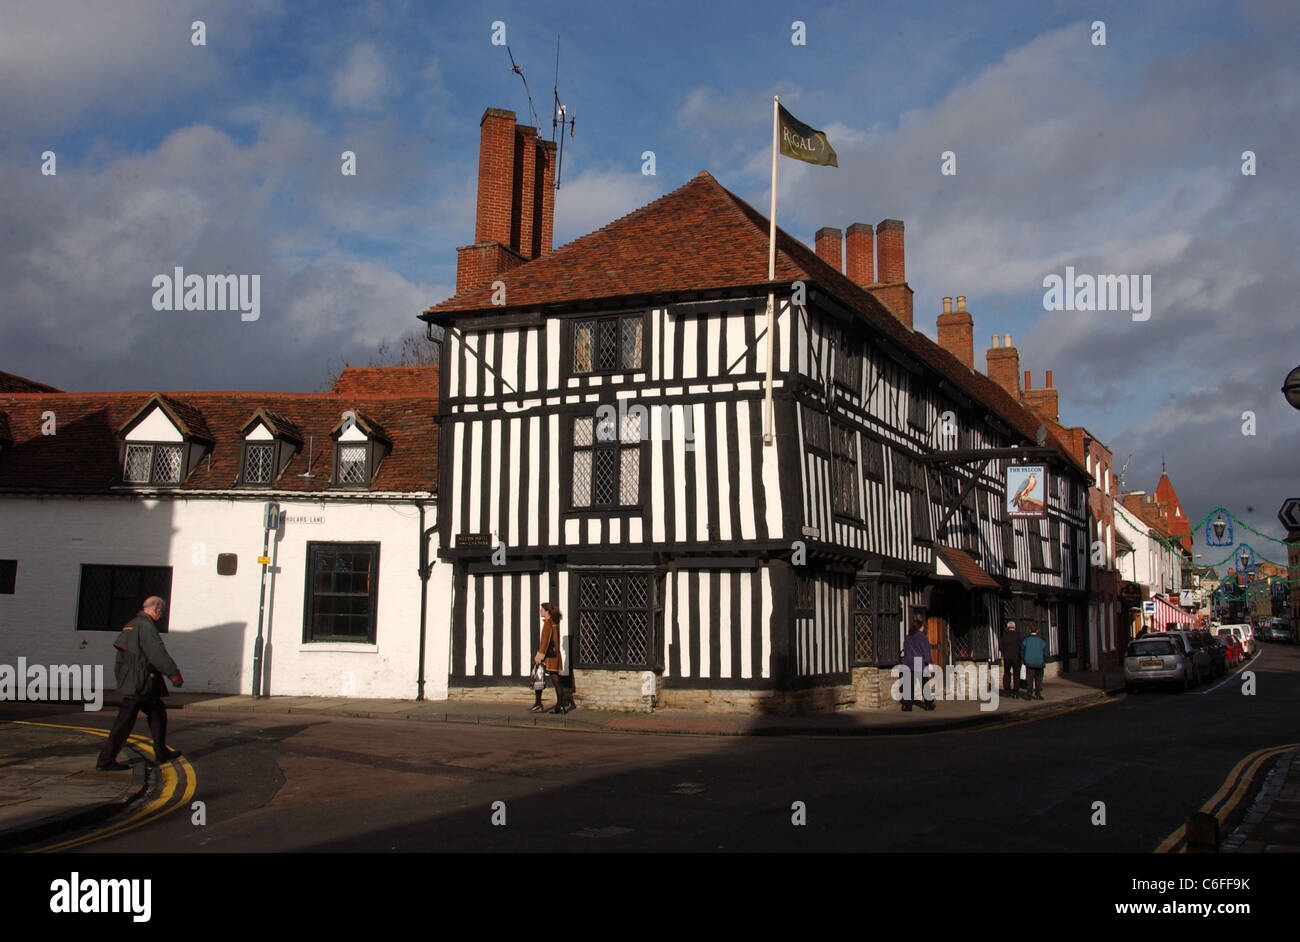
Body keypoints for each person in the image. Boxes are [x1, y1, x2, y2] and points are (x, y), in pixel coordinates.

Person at [96, 596, 184, 770]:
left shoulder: (131, 624)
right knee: (124, 723)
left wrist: (121, 677)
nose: (162, 615)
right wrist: (174, 675)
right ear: (157, 609)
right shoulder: (146, 627)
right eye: (162, 611)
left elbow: (120, 656)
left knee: (157, 713)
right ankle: (106, 760)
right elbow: (157, 654)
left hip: (134, 680)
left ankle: (161, 752)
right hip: (141, 682)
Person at [533, 602, 573, 713]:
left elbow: (545, 642)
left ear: (547, 612)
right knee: (554, 680)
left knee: (540, 678)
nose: (540, 611)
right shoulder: (554, 622)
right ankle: (556, 705)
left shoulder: (548, 623)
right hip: (555, 656)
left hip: (549, 657)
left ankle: (545, 704)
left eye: (542, 609)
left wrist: (539, 656)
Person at [900, 617, 935, 711]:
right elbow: (927, 654)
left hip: (908, 662)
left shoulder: (907, 637)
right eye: (923, 626)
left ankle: (906, 705)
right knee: (924, 683)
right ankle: (928, 704)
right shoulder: (923, 637)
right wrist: (931, 668)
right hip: (919, 662)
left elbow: (906, 650)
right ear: (921, 627)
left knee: (908, 684)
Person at [1020, 622, 1048, 701]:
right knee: (1039, 680)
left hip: (1029, 663)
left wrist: (1024, 660)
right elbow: (1045, 652)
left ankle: (1029, 694)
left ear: (1029, 630)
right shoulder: (1041, 640)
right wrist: (1044, 660)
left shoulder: (1026, 640)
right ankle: (1038, 694)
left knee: (1029, 679)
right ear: (1038, 631)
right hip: (1039, 663)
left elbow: (1022, 651)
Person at [999, 620, 1022, 700]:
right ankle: (1016, 692)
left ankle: (1007, 691)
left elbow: (1001, 647)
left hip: (1007, 657)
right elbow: (1021, 646)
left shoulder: (1004, 636)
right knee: (1016, 675)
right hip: (1016, 658)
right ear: (1014, 627)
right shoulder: (1018, 635)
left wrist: (1004, 653)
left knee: (1007, 673)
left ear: (1007, 627)